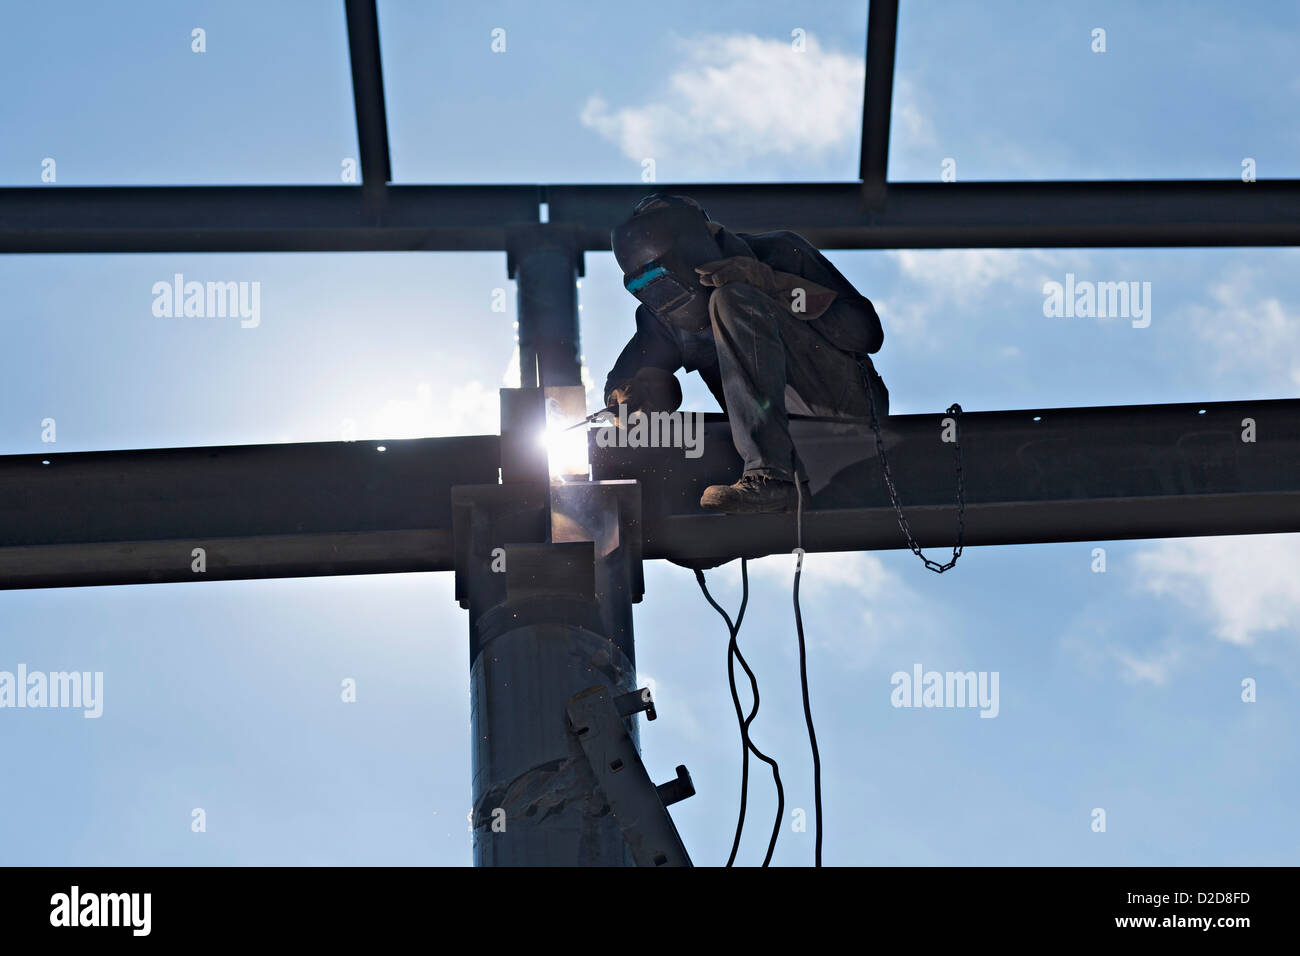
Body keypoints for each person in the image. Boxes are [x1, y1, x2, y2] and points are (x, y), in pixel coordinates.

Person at [603, 193, 889, 514]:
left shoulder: (779, 251)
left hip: (846, 403)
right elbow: (621, 385)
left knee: (729, 299)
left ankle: (771, 478)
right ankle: (763, 475)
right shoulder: (663, 317)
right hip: (786, 443)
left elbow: (866, 333)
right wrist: (632, 395)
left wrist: (772, 283)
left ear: (704, 234)